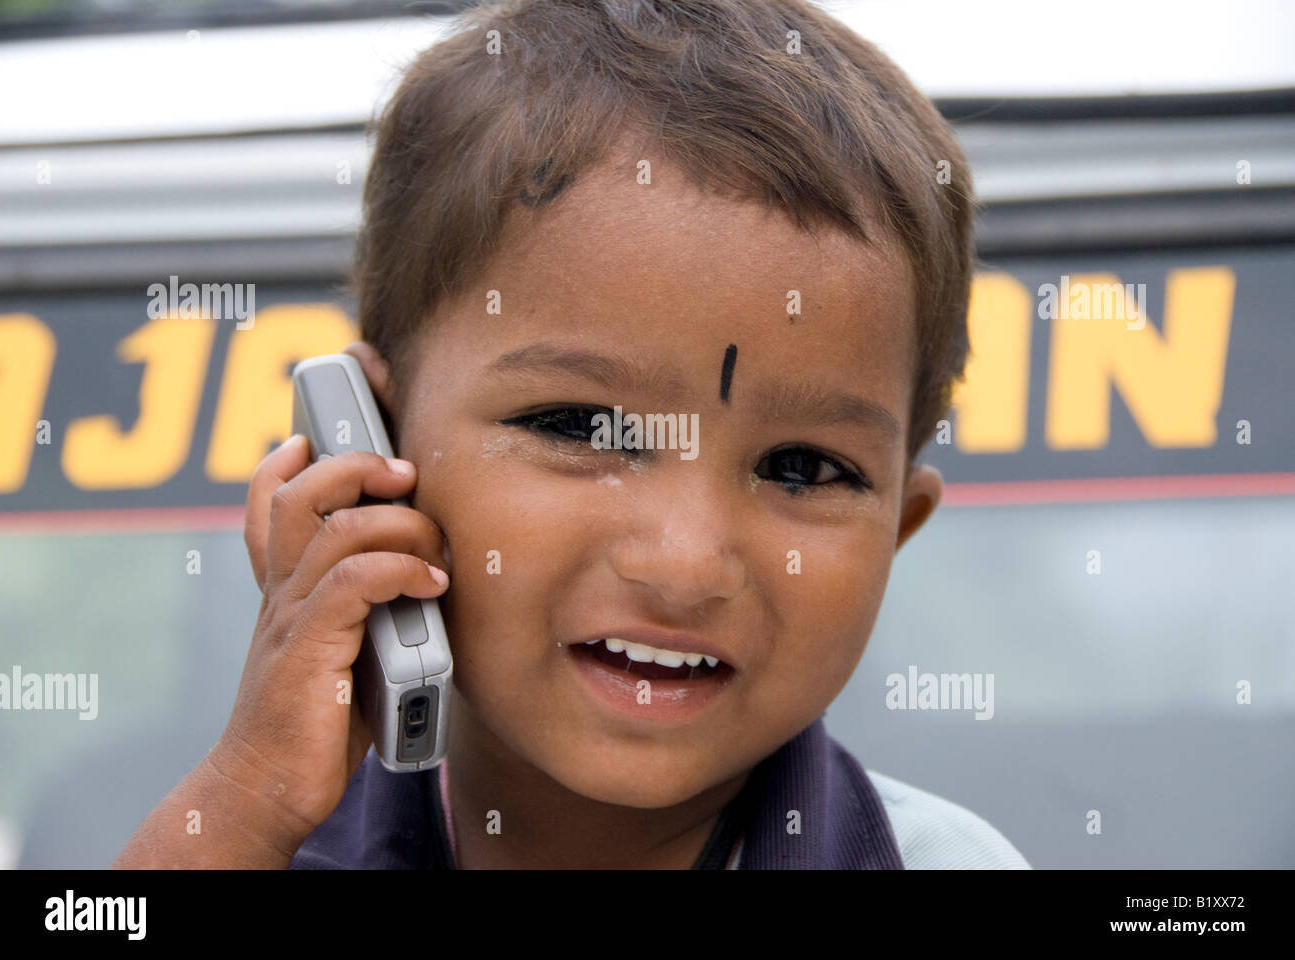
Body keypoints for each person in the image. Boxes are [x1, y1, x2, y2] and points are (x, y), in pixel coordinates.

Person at [114, 0, 1028, 870]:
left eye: (803, 468)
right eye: (581, 427)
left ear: (899, 529)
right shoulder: (251, 839)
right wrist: (252, 800)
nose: (686, 564)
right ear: (368, 450)